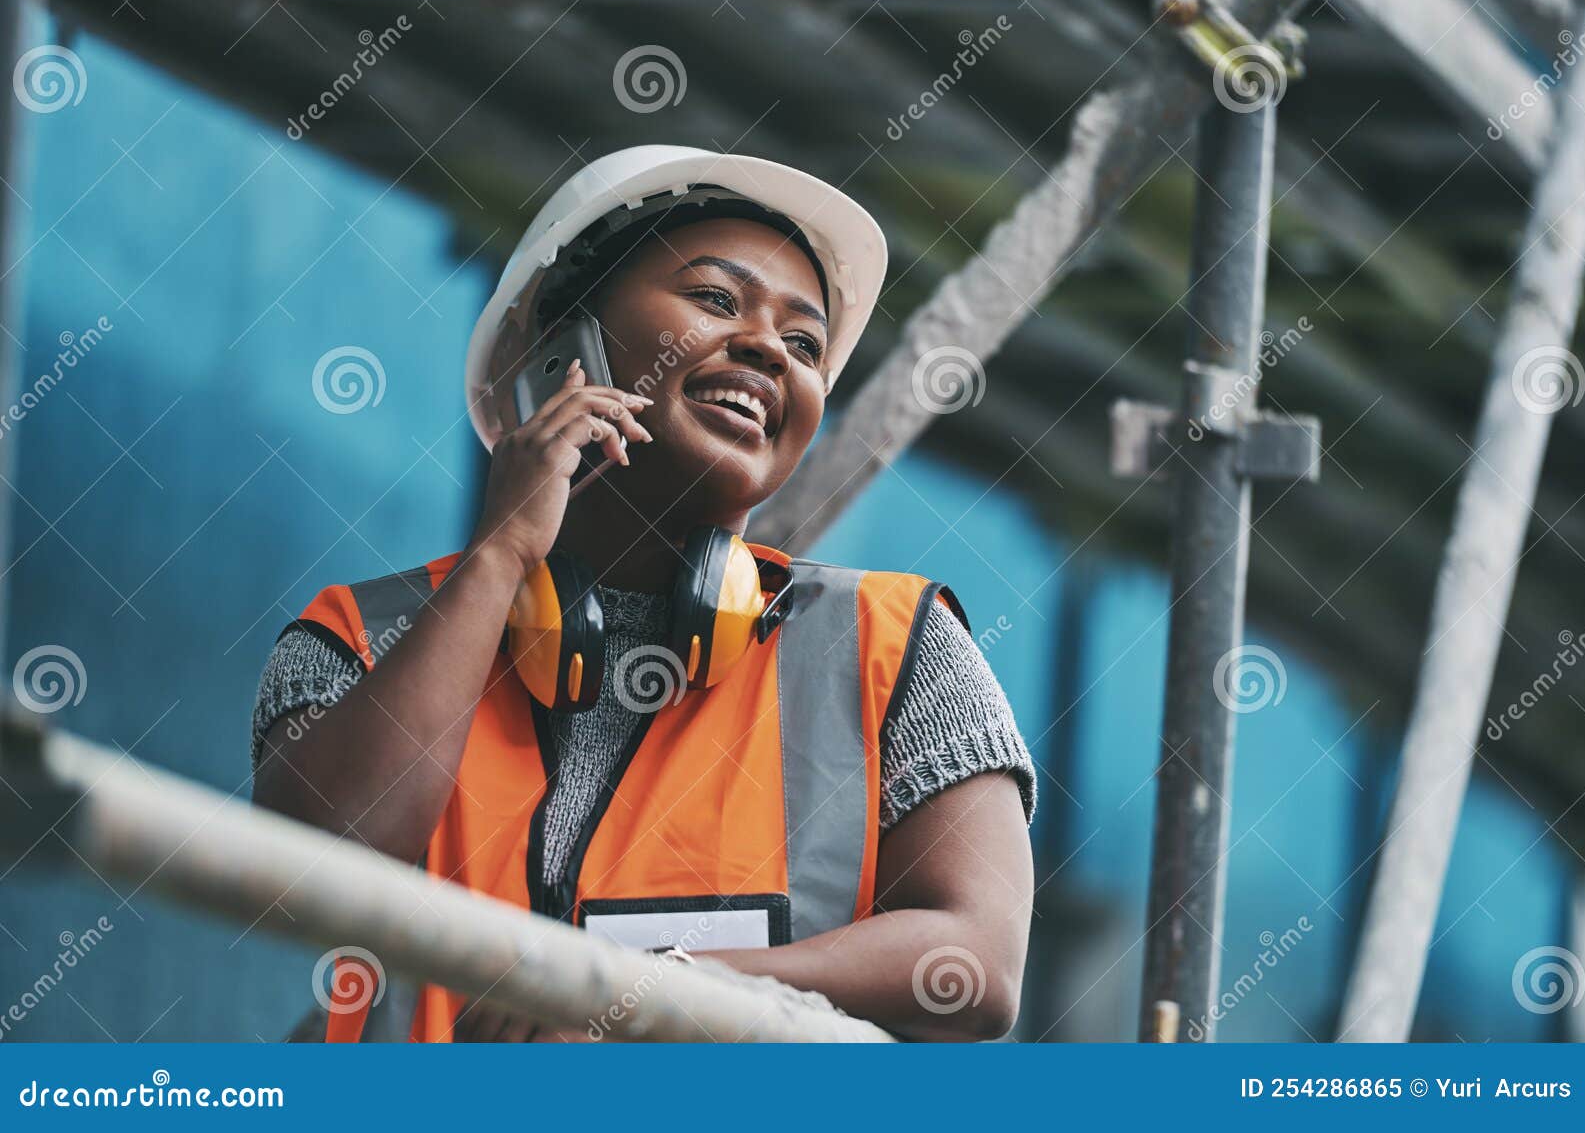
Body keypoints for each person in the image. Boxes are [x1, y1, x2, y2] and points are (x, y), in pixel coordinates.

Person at [250, 145, 1036, 1042]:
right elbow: (306, 876)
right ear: (561, 349)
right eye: (713, 298)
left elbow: (972, 965)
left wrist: (649, 992)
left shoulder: (893, 644)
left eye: (805, 342)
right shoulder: (360, 637)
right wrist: (503, 553)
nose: (767, 350)